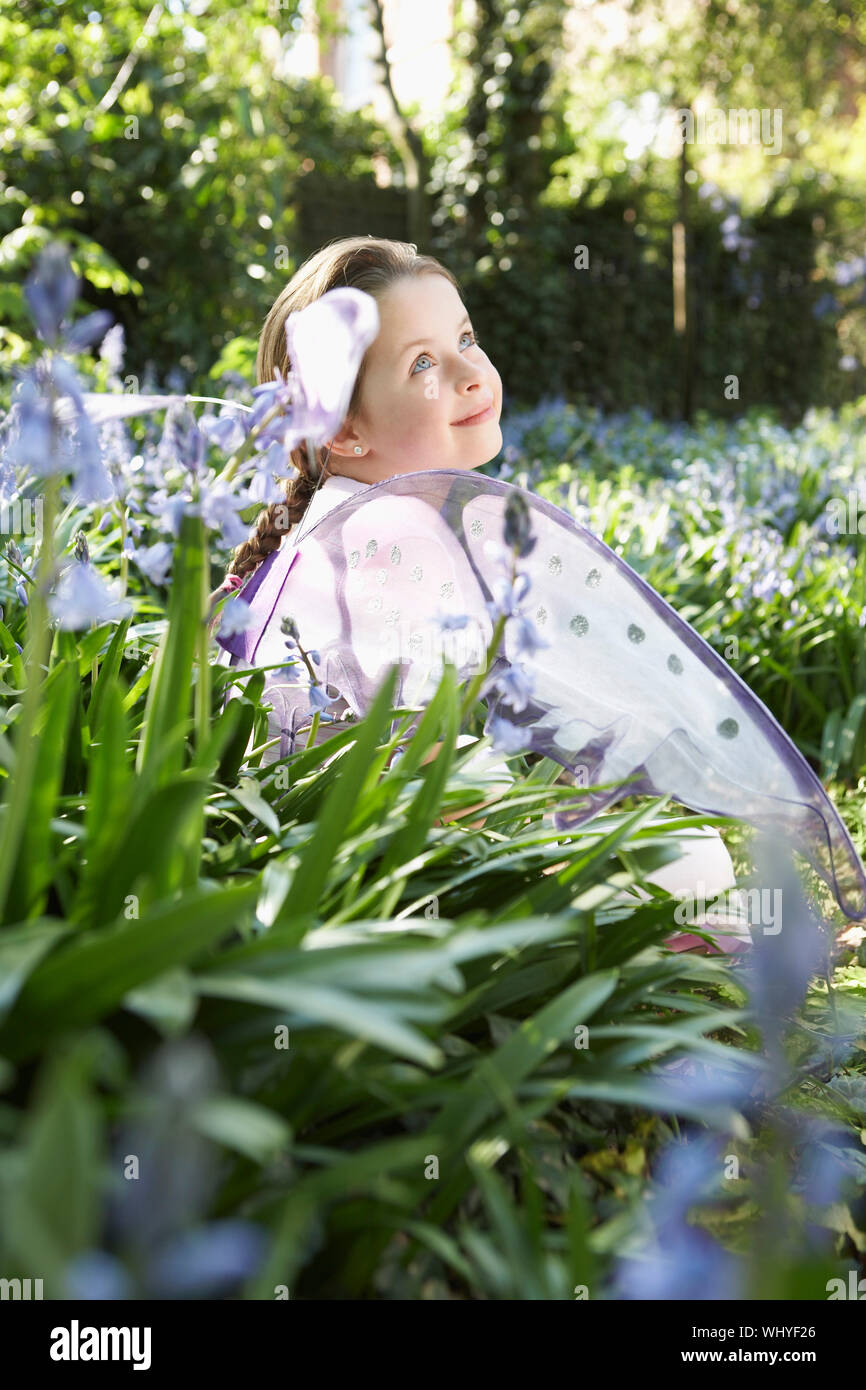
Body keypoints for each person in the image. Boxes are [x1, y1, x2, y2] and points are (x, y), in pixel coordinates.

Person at [210, 236, 866, 952]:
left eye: (466, 338)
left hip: (320, 852)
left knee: (643, 826)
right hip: (384, 877)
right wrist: (545, 855)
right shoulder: (387, 531)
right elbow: (421, 768)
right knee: (686, 852)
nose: (471, 374)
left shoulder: (332, 516)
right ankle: (667, 940)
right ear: (343, 428)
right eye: (422, 363)